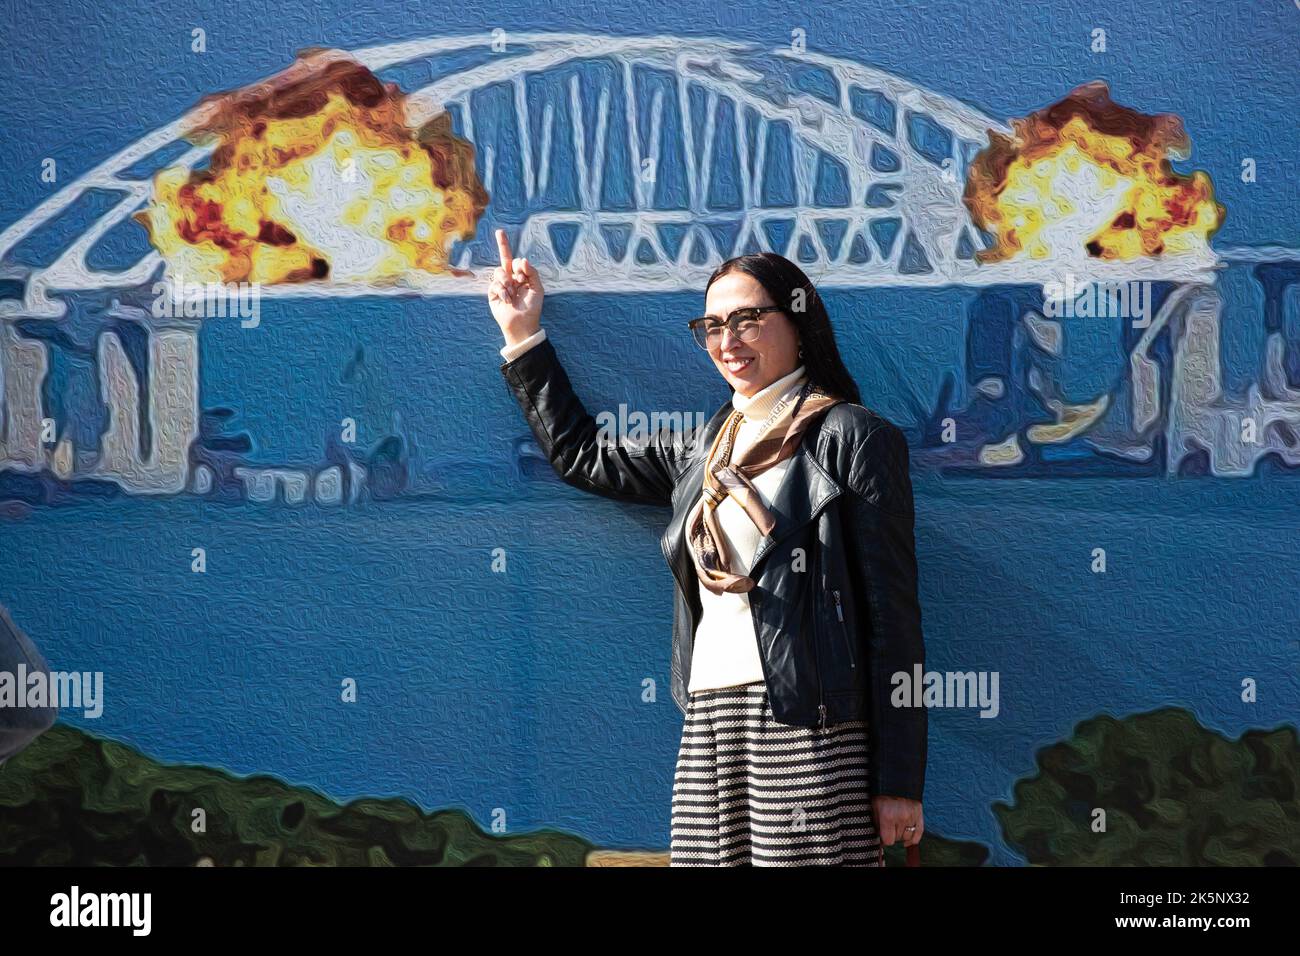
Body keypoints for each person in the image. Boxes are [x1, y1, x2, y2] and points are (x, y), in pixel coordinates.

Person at [487, 229, 926, 866]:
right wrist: (522, 333)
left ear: (799, 323)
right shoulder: (703, 451)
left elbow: (894, 621)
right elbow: (583, 456)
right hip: (708, 718)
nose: (728, 341)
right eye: (712, 325)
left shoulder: (852, 438)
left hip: (808, 724)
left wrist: (898, 783)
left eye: (748, 319)